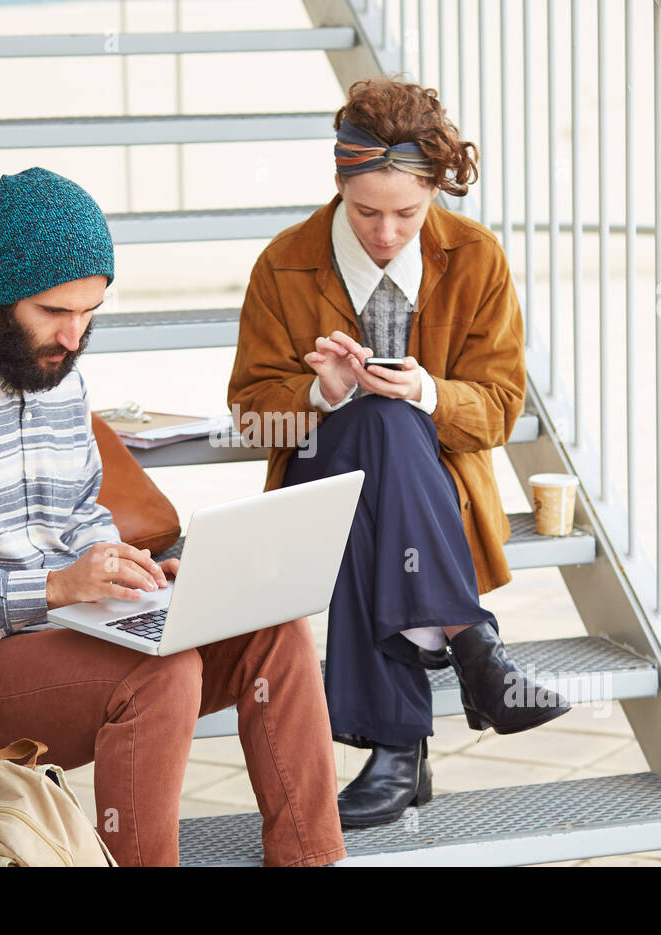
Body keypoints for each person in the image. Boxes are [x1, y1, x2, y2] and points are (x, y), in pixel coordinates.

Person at [0, 167, 345, 867]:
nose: (74, 338)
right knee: (158, 675)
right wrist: (53, 590)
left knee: (273, 631)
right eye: (53, 312)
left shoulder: (57, 375)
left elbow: (77, 518)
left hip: (64, 646)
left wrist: (125, 574)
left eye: (89, 314)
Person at [227, 77, 570, 830]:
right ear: (340, 184)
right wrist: (321, 397)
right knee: (366, 435)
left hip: (429, 484)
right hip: (320, 470)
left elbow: (500, 408)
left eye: (408, 214)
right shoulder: (284, 263)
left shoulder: (476, 257)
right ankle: (473, 647)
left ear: (436, 191)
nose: (386, 233)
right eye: (366, 211)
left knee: (386, 438)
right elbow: (253, 419)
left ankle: (395, 750)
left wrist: (424, 393)